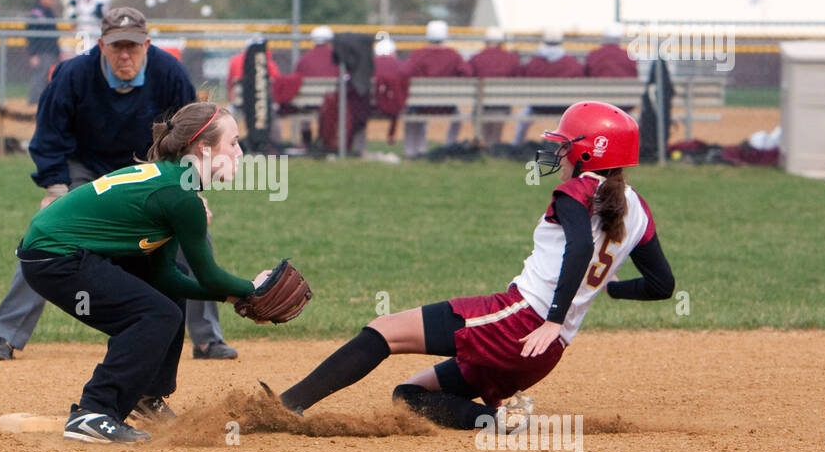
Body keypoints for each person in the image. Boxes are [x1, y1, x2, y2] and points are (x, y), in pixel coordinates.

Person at [273, 101, 674, 429]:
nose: (560, 152)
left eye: (567, 145)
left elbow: (581, 244)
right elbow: (662, 285)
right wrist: (609, 287)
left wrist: (552, 318)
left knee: (384, 331)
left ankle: (286, 406)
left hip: (519, 324)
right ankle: (502, 421)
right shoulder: (638, 209)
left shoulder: (576, 190)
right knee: (409, 396)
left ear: (588, 152)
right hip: (545, 351)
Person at [0, 6, 239, 362]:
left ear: (147, 44)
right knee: (50, 235)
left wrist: (190, 193)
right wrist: (55, 189)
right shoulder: (73, 74)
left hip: (148, 171)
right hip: (86, 168)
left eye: (132, 46)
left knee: (193, 236)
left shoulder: (169, 74)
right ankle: (4, 335)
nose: (124, 54)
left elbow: (194, 140)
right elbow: (50, 136)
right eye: (116, 46)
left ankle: (208, 338)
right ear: (100, 44)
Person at [19, 102, 279, 443]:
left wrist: (236, 295)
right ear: (203, 148)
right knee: (154, 315)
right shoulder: (180, 195)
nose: (240, 152)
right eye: (232, 142)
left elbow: (165, 276)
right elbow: (211, 276)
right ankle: (94, 411)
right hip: (55, 256)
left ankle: (145, 395)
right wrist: (252, 289)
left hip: (58, 249)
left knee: (167, 296)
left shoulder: (176, 183)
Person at [403, 19, 469, 155]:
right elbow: (467, 73)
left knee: (412, 114)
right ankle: (449, 147)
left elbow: (406, 73)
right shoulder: (453, 55)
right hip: (446, 106)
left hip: (421, 106)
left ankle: (411, 150)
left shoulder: (418, 54)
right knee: (459, 118)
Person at [517, 27, 584, 144]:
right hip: (562, 106)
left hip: (537, 106)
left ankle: (516, 145)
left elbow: (524, 76)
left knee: (522, 116)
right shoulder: (571, 62)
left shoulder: (535, 62)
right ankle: (569, 146)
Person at [467, 26, 521, 145]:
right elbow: (518, 77)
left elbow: (468, 76)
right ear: (501, 42)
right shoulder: (511, 58)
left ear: (486, 41)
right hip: (502, 106)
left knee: (482, 106)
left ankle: (486, 144)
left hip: (482, 106)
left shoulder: (476, 58)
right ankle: (494, 145)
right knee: (498, 109)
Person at [25, 0, 61, 105]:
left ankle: (44, 101)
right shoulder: (36, 13)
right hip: (41, 51)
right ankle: (34, 101)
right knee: (40, 76)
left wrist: (57, 51)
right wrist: (33, 54)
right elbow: (31, 35)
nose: (51, 0)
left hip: (50, 50)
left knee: (48, 76)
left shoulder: (48, 12)